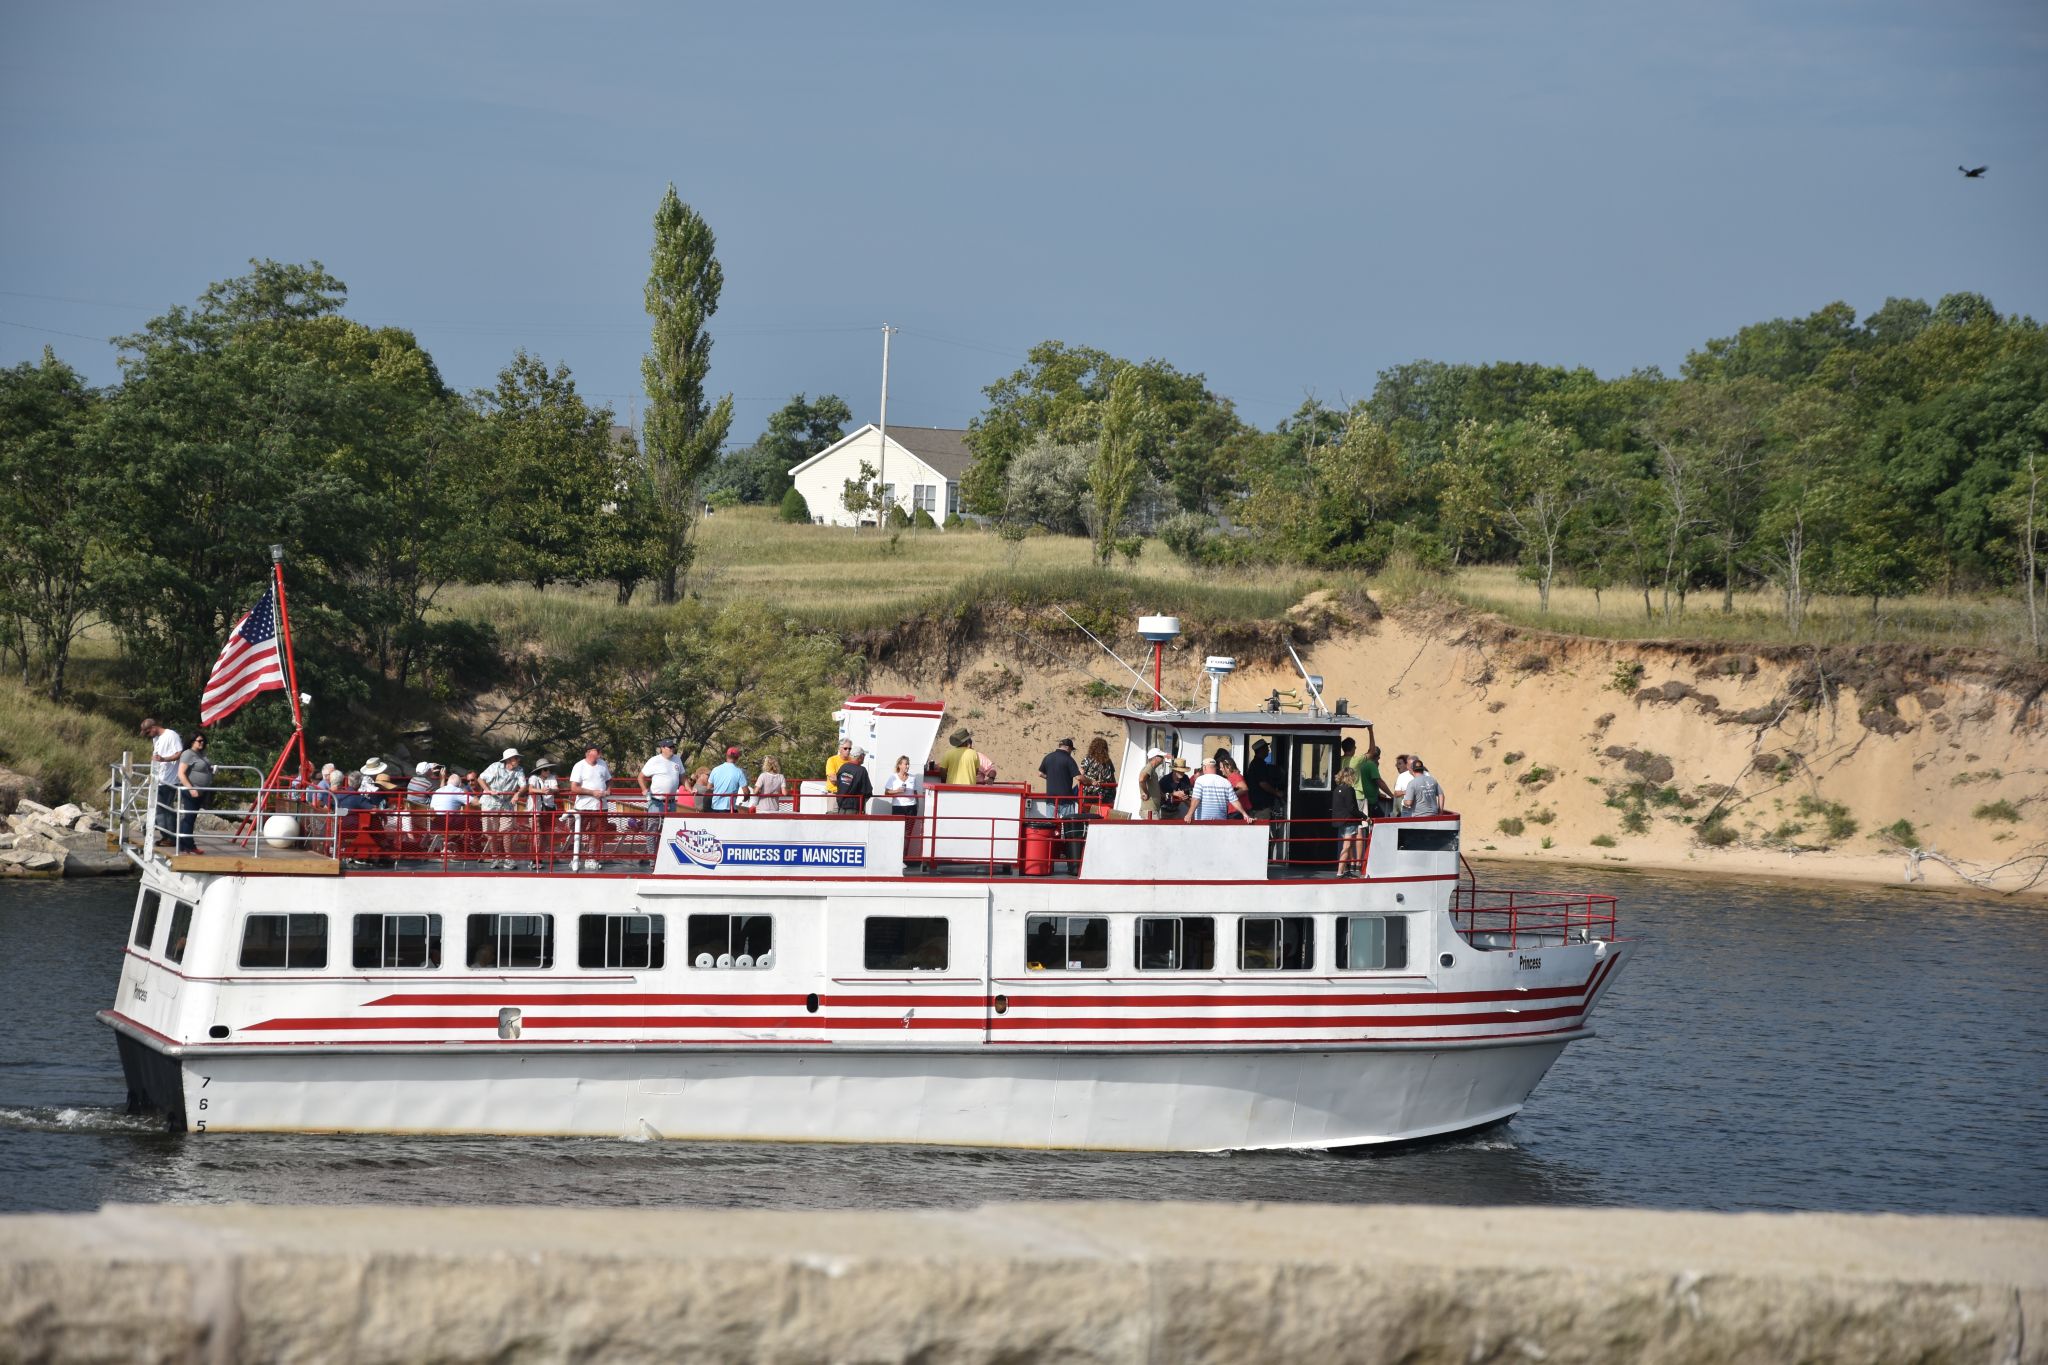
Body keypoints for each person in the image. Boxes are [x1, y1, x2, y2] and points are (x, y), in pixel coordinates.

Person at [477, 748, 526, 869]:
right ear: (509, 760)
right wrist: (488, 791)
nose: (519, 760)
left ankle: (508, 858)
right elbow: (480, 779)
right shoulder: (495, 766)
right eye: (516, 758)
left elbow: (524, 785)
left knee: (507, 831)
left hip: (506, 804)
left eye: (518, 758)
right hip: (490, 803)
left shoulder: (519, 770)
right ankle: (495, 857)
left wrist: (517, 794)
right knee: (491, 832)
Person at [140, 718, 184, 846]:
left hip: (170, 780)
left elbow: (179, 753)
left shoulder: (171, 735)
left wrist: (164, 759)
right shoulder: (156, 739)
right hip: (159, 779)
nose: (148, 736)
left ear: (154, 727)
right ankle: (166, 836)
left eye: (148, 733)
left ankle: (171, 838)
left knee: (165, 809)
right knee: (159, 809)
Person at [569, 746, 612, 870]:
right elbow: (574, 787)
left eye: (599, 751)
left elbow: (609, 780)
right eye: (596, 750)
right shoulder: (579, 766)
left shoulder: (603, 764)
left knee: (595, 833)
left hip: (600, 806)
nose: (599, 753)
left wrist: (608, 790)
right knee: (578, 831)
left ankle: (591, 857)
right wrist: (592, 793)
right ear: (588, 753)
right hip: (583, 806)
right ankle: (575, 858)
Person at [174, 732, 214, 854]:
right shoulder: (188, 754)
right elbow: (181, 773)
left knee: (189, 818)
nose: (202, 743)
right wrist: (191, 789)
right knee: (189, 819)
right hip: (192, 791)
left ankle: (181, 843)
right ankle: (189, 845)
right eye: (199, 741)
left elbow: (201, 768)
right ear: (192, 742)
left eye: (203, 741)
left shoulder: (200, 754)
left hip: (201, 791)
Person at [1186, 757, 1249, 821]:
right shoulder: (1225, 781)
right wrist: (1244, 814)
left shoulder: (1200, 780)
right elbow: (1234, 800)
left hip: (1203, 821)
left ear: (1204, 767)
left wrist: (1189, 814)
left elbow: (1196, 798)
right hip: (1220, 821)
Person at [525, 758, 560, 869]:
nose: (548, 771)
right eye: (545, 769)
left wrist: (550, 791)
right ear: (540, 770)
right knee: (537, 835)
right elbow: (530, 790)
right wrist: (542, 791)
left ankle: (539, 857)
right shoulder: (533, 778)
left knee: (547, 836)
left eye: (549, 769)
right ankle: (534, 859)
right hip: (536, 810)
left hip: (549, 810)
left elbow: (556, 789)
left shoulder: (552, 778)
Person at [639, 739, 683, 824]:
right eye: (670, 747)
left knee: (670, 830)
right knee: (653, 830)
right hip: (656, 803)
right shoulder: (654, 760)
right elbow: (640, 777)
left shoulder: (677, 759)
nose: (672, 748)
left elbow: (683, 776)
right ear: (662, 748)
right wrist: (644, 789)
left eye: (673, 746)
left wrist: (690, 789)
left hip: (671, 803)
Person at [1333, 766, 1366, 876]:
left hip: (1340, 821)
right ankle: (1339, 872)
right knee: (1347, 846)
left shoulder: (1337, 789)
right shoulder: (1349, 789)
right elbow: (1352, 808)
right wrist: (1365, 817)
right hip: (1349, 821)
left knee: (1348, 845)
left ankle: (1346, 870)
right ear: (1350, 776)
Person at [1038, 738, 1081, 817]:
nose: (1071, 752)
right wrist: (1091, 781)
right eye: (1071, 750)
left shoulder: (1048, 757)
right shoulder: (1068, 759)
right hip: (1066, 799)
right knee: (1068, 826)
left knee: (1051, 825)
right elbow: (1078, 777)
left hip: (1051, 798)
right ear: (1068, 748)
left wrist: (1051, 778)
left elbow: (1040, 773)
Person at [708, 745, 751, 812]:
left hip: (715, 806)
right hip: (730, 808)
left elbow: (709, 788)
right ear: (737, 758)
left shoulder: (715, 769)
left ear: (726, 756)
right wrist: (745, 799)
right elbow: (746, 792)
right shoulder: (739, 772)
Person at [1245, 740, 1281, 816]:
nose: (1268, 750)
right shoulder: (1259, 764)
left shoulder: (1256, 763)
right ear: (1261, 750)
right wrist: (1276, 792)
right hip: (1261, 806)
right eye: (1266, 748)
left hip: (1258, 804)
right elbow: (1263, 783)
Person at [834, 746, 873, 814]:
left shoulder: (843, 767)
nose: (864, 757)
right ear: (860, 757)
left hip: (840, 807)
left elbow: (837, 783)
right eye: (864, 755)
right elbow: (868, 791)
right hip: (853, 809)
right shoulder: (861, 770)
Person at [1137, 748, 1168, 820]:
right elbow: (1141, 779)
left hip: (1152, 810)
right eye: (1161, 756)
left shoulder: (1152, 769)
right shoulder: (1149, 767)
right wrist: (1145, 792)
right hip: (1150, 811)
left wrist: (1161, 794)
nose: (1163, 758)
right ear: (1155, 757)